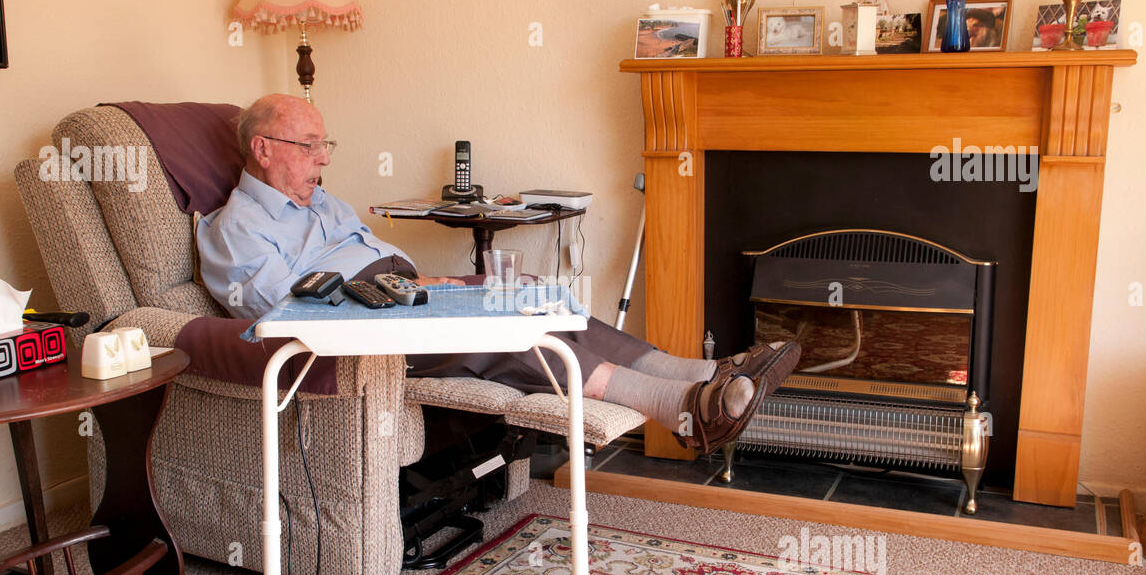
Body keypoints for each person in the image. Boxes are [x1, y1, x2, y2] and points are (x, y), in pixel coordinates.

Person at [197, 94, 799, 453]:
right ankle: (684, 408)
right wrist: (406, 305)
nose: (324, 158)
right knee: (502, 331)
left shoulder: (323, 202)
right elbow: (282, 313)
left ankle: (704, 371)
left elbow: (380, 259)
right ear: (263, 149)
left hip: (405, 296)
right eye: (309, 145)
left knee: (530, 296)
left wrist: (437, 286)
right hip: (367, 330)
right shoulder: (237, 227)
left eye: (325, 144)